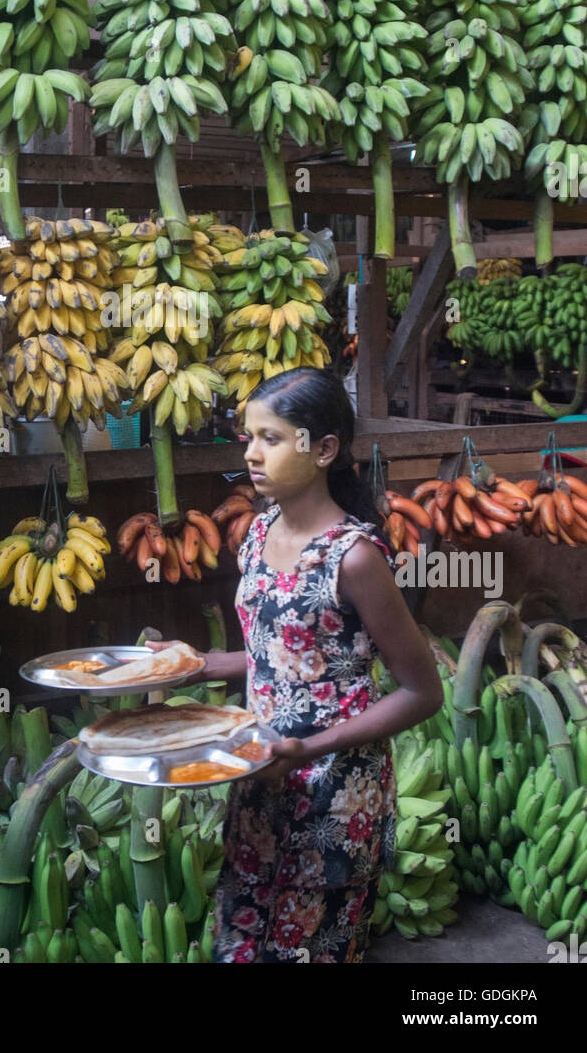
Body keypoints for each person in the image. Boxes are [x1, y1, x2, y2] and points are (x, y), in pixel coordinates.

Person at [148, 367, 443, 964]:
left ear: (325, 449)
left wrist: (308, 750)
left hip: (333, 796)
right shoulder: (258, 533)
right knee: (239, 946)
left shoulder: (354, 558)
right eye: (248, 437)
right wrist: (199, 665)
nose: (252, 454)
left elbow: (422, 691)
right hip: (261, 779)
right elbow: (276, 655)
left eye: (271, 438)